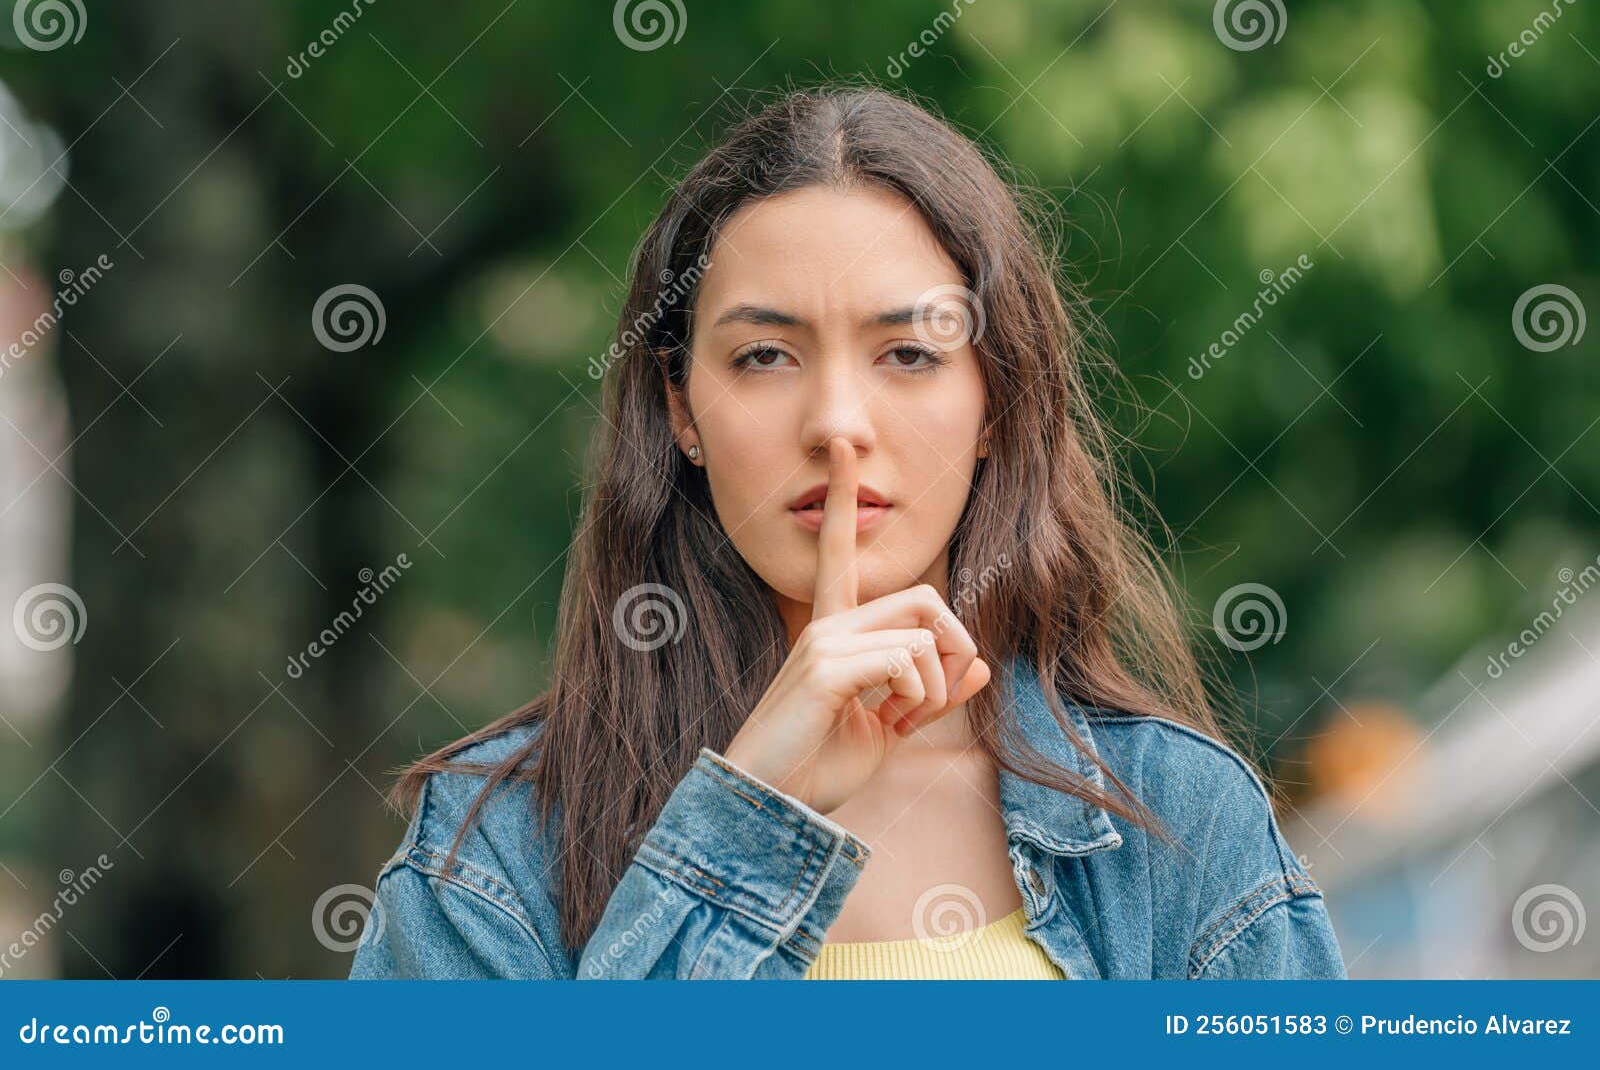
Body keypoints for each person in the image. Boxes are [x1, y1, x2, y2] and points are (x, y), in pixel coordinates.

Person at [349, 84, 1346, 979]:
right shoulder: (494, 850)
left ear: (995, 399)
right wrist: (749, 812)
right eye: (765, 356)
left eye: (907, 352)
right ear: (681, 406)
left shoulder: (1179, 822)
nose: (835, 422)